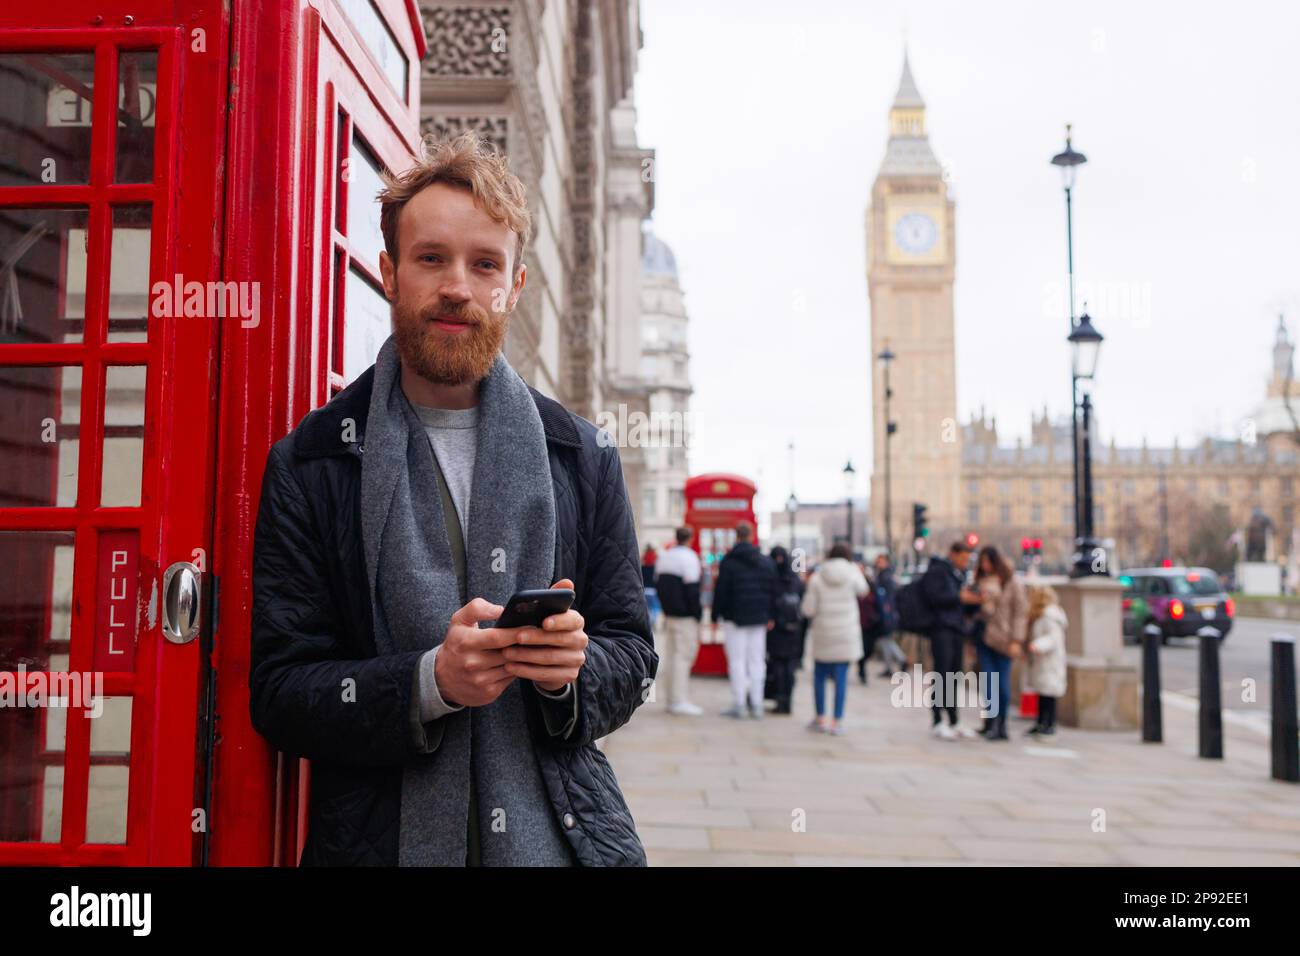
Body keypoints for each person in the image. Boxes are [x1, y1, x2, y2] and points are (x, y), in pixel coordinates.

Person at [248, 130, 656, 867]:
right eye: (431, 258)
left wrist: (571, 675)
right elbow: (280, 691)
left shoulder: (583, 457)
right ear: (388, 274)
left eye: (485, 264)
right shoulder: (311, 463)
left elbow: (631, 655)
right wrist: (428, 683)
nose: (458, 287)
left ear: (516, 287)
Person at [801, 542, 869, 735]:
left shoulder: (817, 578)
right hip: (846, 633)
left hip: (824, 633)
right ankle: (837, 721)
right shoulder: (853, 573)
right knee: (841, 679)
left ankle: (820, 717)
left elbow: (808, 609)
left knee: (819, 677)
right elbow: (864, 590)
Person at [918, 541, 984, 740]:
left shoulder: (959, 574)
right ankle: (937, 720)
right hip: (941, 629)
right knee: (942, 673)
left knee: (954, 675)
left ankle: (954, 719)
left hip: (956, 629)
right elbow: (934, 597)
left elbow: (960, 604)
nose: (965, 563)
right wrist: (959, 597)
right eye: (963, 558)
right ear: (953, 554)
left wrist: (974, 601)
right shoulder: (938, 571)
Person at [711, 521, 777, 719]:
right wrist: (771, 615)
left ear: (737, 537)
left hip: (735, 618)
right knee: (757, 661)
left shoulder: (729, 561)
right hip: (759, 618)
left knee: (737, 662)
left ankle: (739, 703)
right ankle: (757, 705)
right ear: (751, 535)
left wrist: (715, 615)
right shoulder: (766, 561)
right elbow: (773, 591)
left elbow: (720, 592)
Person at [973, 545, 1027, 741]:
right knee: (988, 682)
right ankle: (990, 721)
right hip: (984, 637)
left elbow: (1020, 613)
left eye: (988, 562)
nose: (985, 566)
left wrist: (1016, 640)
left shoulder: (1012, 583)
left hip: (1004, 639)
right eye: (982, 562)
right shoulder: (980, 581)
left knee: (1002, 684)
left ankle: (1001, 724)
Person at [654, 527, 705, 716]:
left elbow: (658, 585)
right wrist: (697, 614)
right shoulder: (690, 558)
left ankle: (671, 699)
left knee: (672, 657)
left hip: (670, 615)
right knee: (683, 657)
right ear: (690, 538)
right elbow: (692, 591)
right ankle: (679, 700)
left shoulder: (665, 557)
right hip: (686, 617)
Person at [766, 545, 805, 715]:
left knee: (777, 664)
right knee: (789, 666)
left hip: (776, 628)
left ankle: (780, 698)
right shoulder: (796, 581)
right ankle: (788, 700)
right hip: (794, 630)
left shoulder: (771, 579)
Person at [1025, 585, 1068, 736]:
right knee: (1043, 693)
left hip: (1049, 660)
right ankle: (1041, 722)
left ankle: (1049, 724)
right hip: (1043, 661)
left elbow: (1053, 638)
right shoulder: (1044, 615)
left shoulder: (1049, 616)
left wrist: (1037, 645)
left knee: (1049, 694)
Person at [870, 554, 906, 677]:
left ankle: (900, 660)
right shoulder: (882, 575)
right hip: (884, 613)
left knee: (886, 639)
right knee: (885, 640)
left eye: (880, 561)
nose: (878, 564)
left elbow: (888, 598)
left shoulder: (885, 577)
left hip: (886, 614)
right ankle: (891, 665)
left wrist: (887, 613)